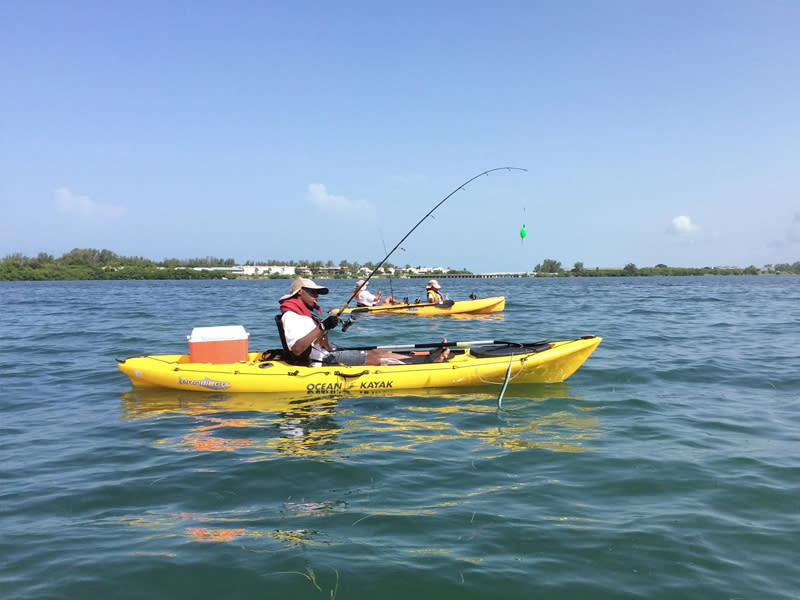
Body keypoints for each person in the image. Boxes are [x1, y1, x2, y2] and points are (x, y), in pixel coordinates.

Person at [279, 277, 449, 367]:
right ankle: (429, 362)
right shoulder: (291, 316)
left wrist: (325, 331)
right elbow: (297, 349)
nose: (316, 296)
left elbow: (321, 344)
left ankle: (427, 357)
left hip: (325, 355)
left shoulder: (305, 314)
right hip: (320, 362)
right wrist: (322, 326)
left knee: (375, 351)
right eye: (313, 292)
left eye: (317, 293)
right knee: (376, 356)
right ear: (300, 292)